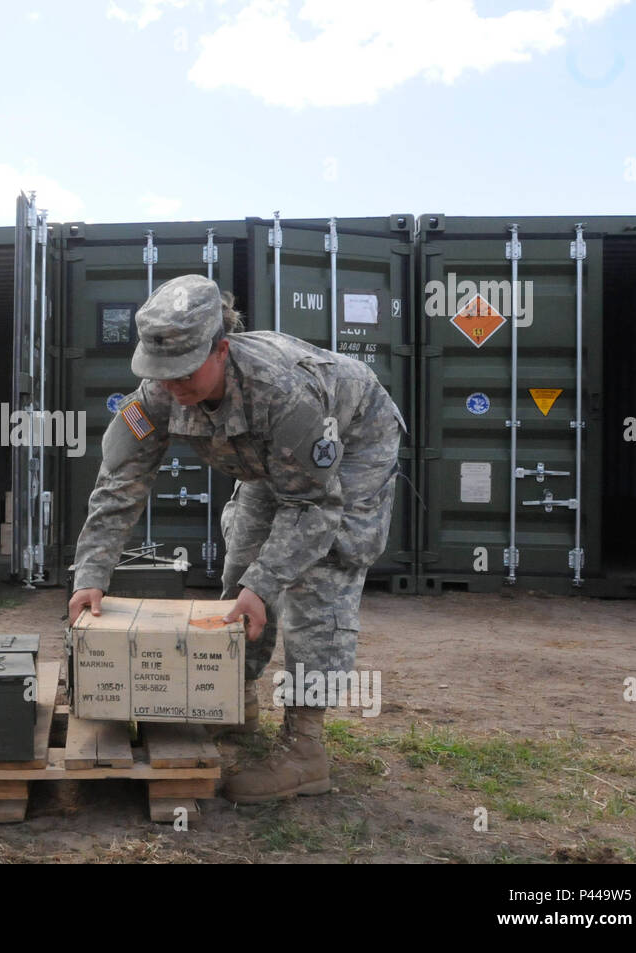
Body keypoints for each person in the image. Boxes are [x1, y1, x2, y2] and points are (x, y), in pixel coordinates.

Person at [68, 274, 405, 804]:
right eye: (160, 372)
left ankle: (305, 748)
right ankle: (232, 702)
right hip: (270, 468)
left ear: (220, 350)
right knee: (239, 574)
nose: (171, 384)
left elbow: (314, 505)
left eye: (184, 371)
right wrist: (91, 574)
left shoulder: (283, 393)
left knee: (315, 577)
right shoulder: (155, 395)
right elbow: (118, 484)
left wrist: (268, 583)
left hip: (352, 446)